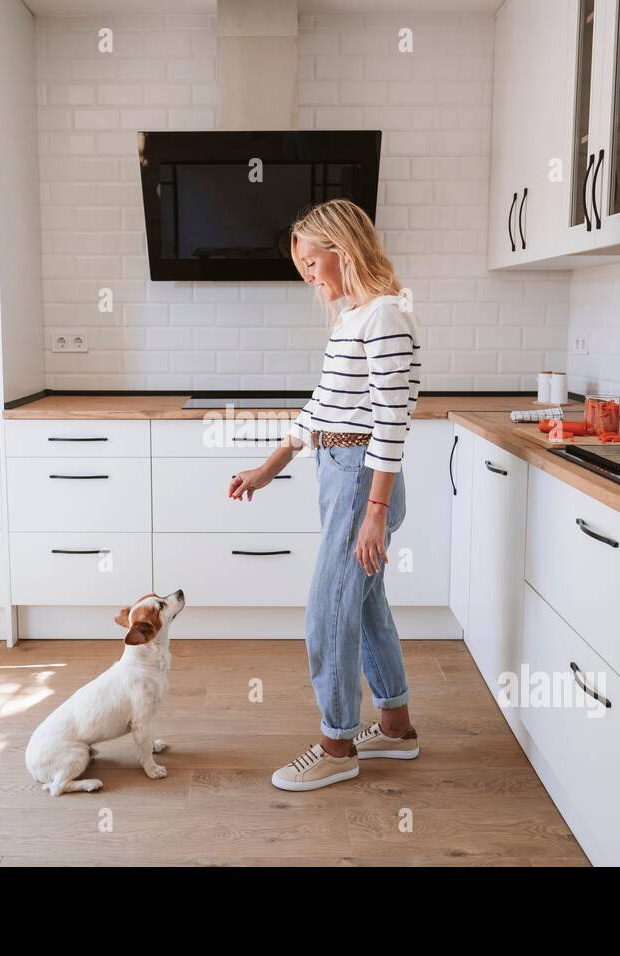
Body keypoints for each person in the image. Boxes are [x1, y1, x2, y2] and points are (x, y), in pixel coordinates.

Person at [228, 199, 422, 792]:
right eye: (303, 266)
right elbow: (324, 406)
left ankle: (337, 743)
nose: (309, 276)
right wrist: (272, 464)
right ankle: (394, 726)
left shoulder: (386, 315)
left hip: (364, 477)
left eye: (313, 263)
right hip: (340, 471)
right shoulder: (354, 316)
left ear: (343, 251)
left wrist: (375, 511)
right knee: (361, 604)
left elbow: (392, 420)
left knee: (328, 610)